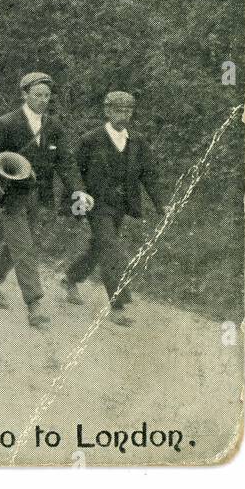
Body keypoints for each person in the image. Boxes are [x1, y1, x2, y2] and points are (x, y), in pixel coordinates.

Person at [0, 72, 92, 327]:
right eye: (38, 95)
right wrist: (4, 170)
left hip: (40, 197)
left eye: (47, 96)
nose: (43, 100)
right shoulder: (7, 123)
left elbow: (66, 161)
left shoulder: (54, 125)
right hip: (12, 196)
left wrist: (78, 190)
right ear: (24, 94)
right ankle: (34, 304)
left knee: (19, 244)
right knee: (25, 248)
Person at [62, 91, 166, 326]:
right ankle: (117, 306)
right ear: (107, 111)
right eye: (118, 110)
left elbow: (149, 174)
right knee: (110, 248)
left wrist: (160, 202)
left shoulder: (137, 141)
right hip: (95, 204)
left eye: (128, 110)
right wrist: (78, 197)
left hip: (120, 205)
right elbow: (73, 171)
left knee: (99, 247)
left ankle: (71, 277)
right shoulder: (91, 139)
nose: (124, 115)